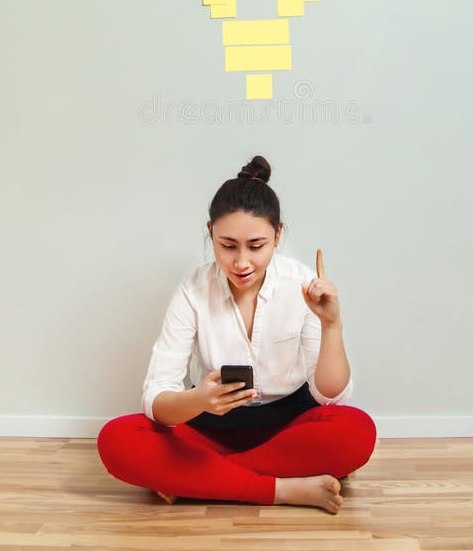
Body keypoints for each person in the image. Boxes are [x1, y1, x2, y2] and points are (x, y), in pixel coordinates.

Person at [97, 155, 377, 514]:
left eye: (256, 246)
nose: (241, 262)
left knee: (356, 430)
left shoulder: (302, 283)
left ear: (277, 235)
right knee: (117, 439)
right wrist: (198, 400)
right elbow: (157, 399)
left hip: (288, 429)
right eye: (227, 246)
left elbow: (331, 396)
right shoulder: (193, 289)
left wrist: (331, 325)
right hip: (209, 427)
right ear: (210, 232)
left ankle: (197, 480)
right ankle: (282, 489)